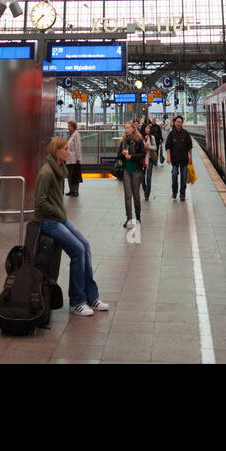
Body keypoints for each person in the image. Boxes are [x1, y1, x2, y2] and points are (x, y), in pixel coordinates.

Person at [34, 136, 109, 317]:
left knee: (85, 246)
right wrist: (59, 214)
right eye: (66, 149)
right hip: (49, 221)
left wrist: (61, 214)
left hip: (59, 218)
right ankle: (77, 301)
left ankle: (92, 297)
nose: (69, 152)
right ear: (57, 151)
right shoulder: (47, 173)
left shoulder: (59, 170)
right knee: (77, 250)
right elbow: (39, 202)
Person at [116, 121, 146, 227]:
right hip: (126, 171)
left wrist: (132, 156)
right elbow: (118, 156)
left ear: (133, 129)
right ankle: (129, 218)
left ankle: (138, 218)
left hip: (136, 170)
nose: (126, 129)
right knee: (127, 195)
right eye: (125, 128)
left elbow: (143, 154)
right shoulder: (123, 141)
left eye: (128, 128)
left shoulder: (139, 140)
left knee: (136, 195)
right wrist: (123, 154)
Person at [165, 115, 193, 201]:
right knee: (174, 175)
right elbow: (168, 147)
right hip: (175, 159)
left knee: (183, 177)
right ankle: (174, 192)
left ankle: (182, 194)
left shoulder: (186, 133)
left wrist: (190, 158)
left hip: (184, 159)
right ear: (175, 123)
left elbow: (190, 147)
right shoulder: (171, 134)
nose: (178, 123)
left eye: (180, 122)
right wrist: (168, 157)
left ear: (182, 123)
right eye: (177, 122)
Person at [143, 117, 159, 201]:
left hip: (150, 160)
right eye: (146, 128)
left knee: (148, 177)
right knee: (142, 178)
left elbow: (155, 147)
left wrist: (149, 147)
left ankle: (147, 194)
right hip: (141, 160)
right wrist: (143, 147)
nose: (148, 129)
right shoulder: (140, 138)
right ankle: (145, 189)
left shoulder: (152, 137)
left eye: (149, 128)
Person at [65, 119, 82, 197]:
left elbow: (77, 147)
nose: (68, 127)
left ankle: (75, 191)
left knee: (74, 175)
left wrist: (78, 158)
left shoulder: (76, 134)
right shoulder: (69, 135)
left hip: (74, 159)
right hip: (68, 158)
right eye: (68, 126)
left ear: (74, 127)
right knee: (69, 175)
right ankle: (71, 190)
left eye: (70, 126)